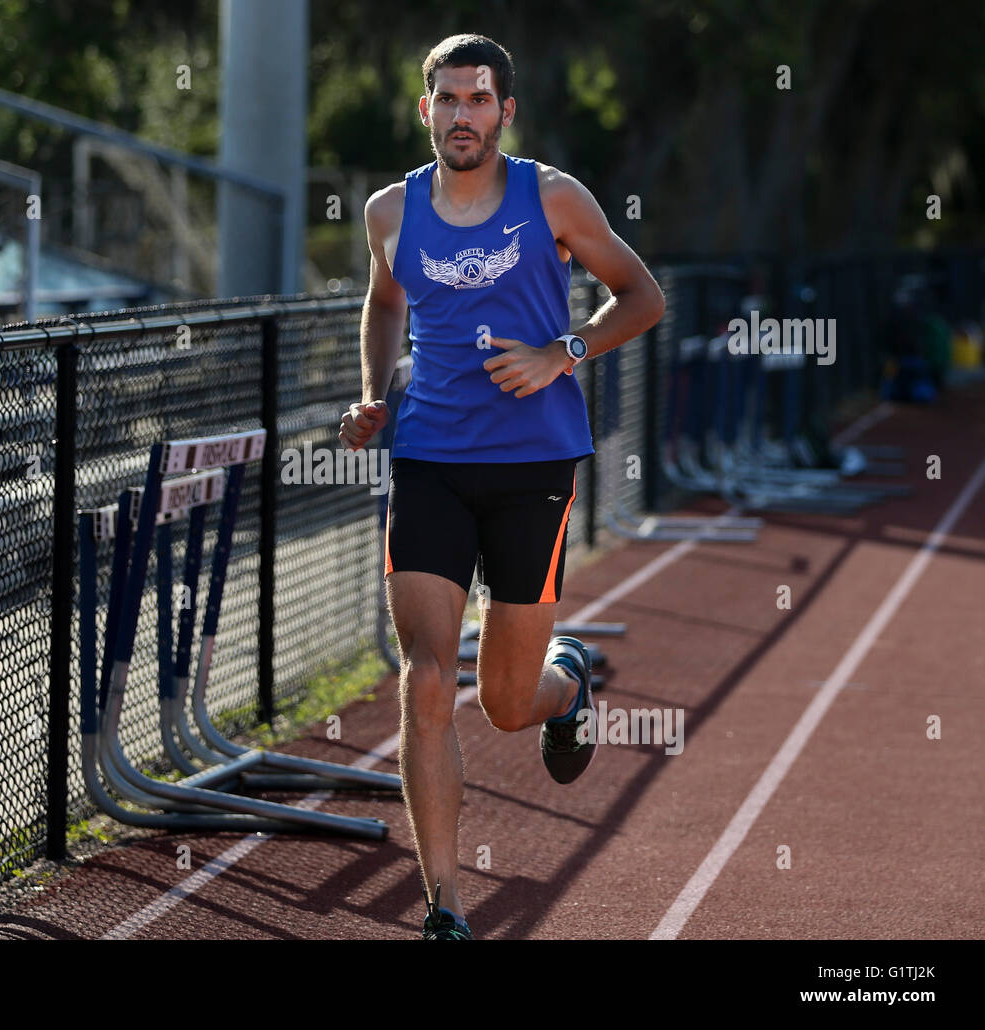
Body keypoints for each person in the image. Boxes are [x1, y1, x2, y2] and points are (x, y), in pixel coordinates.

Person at [339, 33, 665, 940]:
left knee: (507, 705)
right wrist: (373, 393)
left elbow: (641, 297)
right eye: (446, 99)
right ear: (426, 110)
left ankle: (568, 686)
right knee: (428, 678)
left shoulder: (551, 197)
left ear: (505, 110)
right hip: (431, 460)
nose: (461, 115)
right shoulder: (389, 211)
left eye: (478, 100)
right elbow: (386, 299)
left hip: (533, 468)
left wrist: (562, 353)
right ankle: (445, 905)